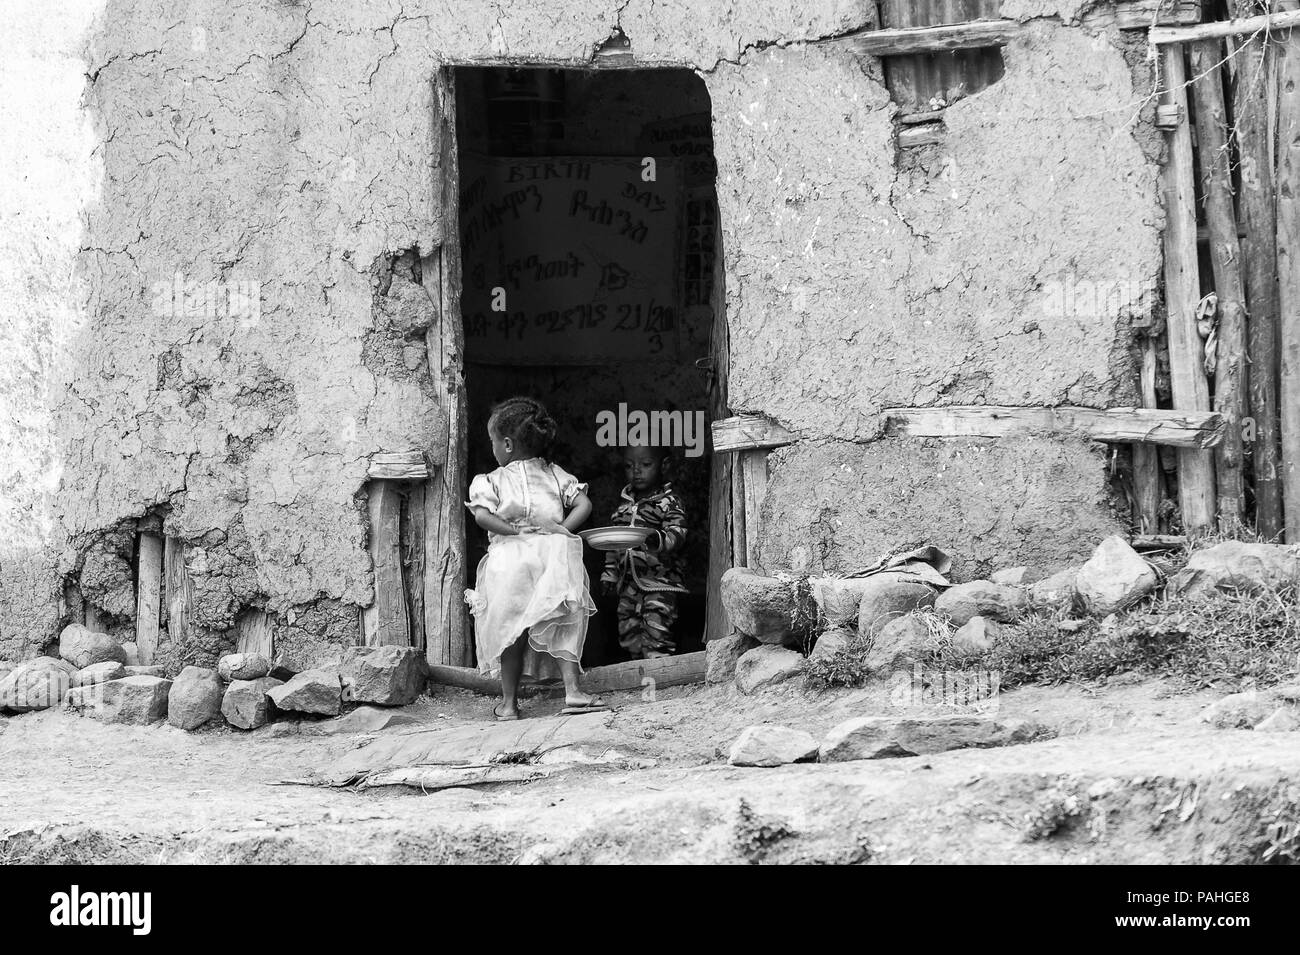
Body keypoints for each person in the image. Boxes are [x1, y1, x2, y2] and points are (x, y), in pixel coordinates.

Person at [463, 396, 604, 721]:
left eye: (493, 442)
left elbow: (483, 518)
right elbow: (584, 505)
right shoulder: (555, 474)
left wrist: (514, 533)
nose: (493, 448)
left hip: (510, 562)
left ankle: (509, 704)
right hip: (552, 557)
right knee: (564, 621)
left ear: (508, 444)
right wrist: (560, 531)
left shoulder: (492, 480)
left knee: (511, 630)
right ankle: (573, 691)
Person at [601, 444, 689, 659]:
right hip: (628, 586)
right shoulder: (622, 509)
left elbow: (677, 534)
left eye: (646, 464)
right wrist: (609, 574)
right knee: (629, 631)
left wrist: (656, 538)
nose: (636, 471)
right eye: (629, 466)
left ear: (664, 465)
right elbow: (613, 544)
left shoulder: (669, 503)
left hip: (660, 583)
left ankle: (659, 674)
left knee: (656, 631)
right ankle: (637, 671)